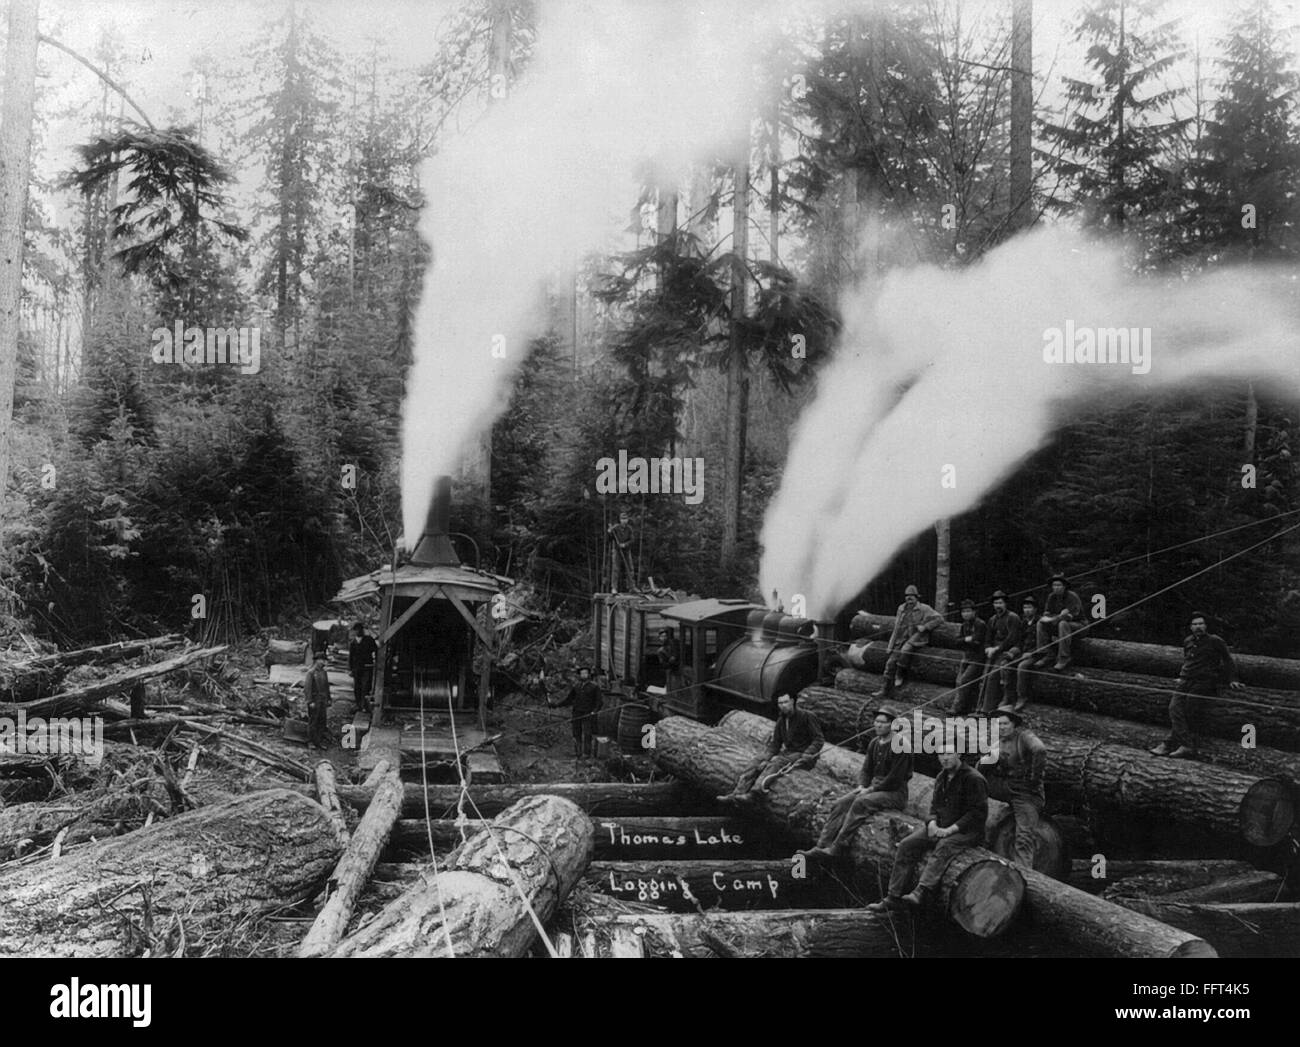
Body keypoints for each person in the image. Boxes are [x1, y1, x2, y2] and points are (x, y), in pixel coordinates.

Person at [870, 743, 988, 910]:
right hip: (941, 826)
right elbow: (934, 805)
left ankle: (921, 891)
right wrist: (931, 822)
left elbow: (977, 814)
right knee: (906, 845)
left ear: (959, 754)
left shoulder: (973, 779)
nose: (945, 758)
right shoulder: (942, 776)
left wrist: (950, 830)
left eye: (949, 753)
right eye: (941, 754)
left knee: (944, 846)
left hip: (967, 832)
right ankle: (893, 897)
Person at [797, 708, 911, 861]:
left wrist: (871, 789)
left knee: (861, 802)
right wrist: (862, 785)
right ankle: (822, 845)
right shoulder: (874, 743)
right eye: (876, 722)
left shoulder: (901, 745)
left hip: (895, 793)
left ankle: (837, 847)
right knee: (840, 803)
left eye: (883, 723)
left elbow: (894, 779)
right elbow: (866, 770)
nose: (878, 725)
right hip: (874, 789)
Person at [1151, 611, 1244, 759]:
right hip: (1185, 680)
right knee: (1174, 708)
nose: (1198, 627)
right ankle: (1184, 744)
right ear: (1190, 627)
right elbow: (1188, 660)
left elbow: (1228, 660)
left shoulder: (1215, 641)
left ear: (1206, 626)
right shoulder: (1188, 641)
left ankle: (1169, 744)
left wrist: (1233, 679)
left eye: (1201, 623)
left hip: (1204, 682)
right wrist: (1181, 675)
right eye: (1194, 624)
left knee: (1189, 710)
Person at [718, 692, 823, 804]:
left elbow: (819, 739)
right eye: (780, 703)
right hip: (788, 753)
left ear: (792, 702)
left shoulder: (807, 717)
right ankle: (737, 794)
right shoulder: (781, 721)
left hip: (804, 755)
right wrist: (766, 758)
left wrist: (808, 753)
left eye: (785, 702)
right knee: (757, 761)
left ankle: (755, 794)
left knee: (777, 761)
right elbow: (775, 744)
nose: (783, 705)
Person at [978, 707, 1047, 868]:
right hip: (1004, 786)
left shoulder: (1024, 737)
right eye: (998, 724)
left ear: (1013, 724)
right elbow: (984, 764)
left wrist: (1034, 778)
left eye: (1005, 724)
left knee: (1024, 837)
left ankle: (1023, 874)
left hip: (1025, 792)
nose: (1002, 727)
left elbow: (1040, 750)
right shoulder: (998, 741)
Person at [873, 585, 944, 700]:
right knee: (890, 663)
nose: (909, 598)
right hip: (901, 638)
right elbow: (896, 628)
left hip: (915, 638)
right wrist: (890, 645)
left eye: (911, 596)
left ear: (916, 597)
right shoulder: (901, 608)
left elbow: (939, 618)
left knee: (905, 650)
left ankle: (900, 673)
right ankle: (884, 690)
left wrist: (925, 627)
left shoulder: (924, 608)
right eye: (907, 596)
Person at [979, 590, 1023, 713]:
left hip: (1010, 651)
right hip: (994, 651)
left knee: (993, 676)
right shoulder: (992, 619)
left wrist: (997, 649)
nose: (998, 606)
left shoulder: (1012, 617)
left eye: (1000, 603)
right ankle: (980, 707)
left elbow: (1012, 639)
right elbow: (988, 637)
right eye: (996, 603)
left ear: (1005, 604)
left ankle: (987, 710)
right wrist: (987, 648)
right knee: (984, 675)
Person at [1032, 575, 1084, 671]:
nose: (1056, 587)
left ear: (1064, 586)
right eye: (1054, 585)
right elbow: (1047, 611)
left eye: (1059, 585)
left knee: (1063, 623)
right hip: (1057, 622)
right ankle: (1047, 654)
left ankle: (1064, 658)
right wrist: (1047, 615)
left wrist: (1058, 617)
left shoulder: (1072, 596)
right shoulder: (1051, 597)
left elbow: (1072, 616)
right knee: (1040, 623)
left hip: (1079, 624)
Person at [550, 666, 603, 759]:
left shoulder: (594, 687)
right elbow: (569, 699)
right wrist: (556, 705)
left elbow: (599, 702)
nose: (584, 675)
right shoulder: (577, 686)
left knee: (587, 734)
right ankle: (578, 752)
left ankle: (587, 754)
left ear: (589, 675)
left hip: (588, 713)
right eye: (582, 673)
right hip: (577, 713)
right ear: (580, 675)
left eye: (586, 673)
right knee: (576, 733)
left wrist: (594, 712)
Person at [952, 599, 988, 715]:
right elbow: (957, 641)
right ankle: (964, 707)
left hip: (977, 658)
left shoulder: (980, 624)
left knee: (965, 680)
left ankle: (957, 708)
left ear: (974, 612)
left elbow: (977, 641)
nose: (966, 614)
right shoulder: (964, 625)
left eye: (968, 611)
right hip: (966, 656)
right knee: (958, 681)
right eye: (963, 612)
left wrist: (966, 640)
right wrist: (967, 639)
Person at [1010, 595, 1041, 712]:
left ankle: (1021, 697)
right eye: (1025, 608)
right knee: (1006, 664)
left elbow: (1045, 643)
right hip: (1024, 652)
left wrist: (1032, 653)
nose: (1027, 610)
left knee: (1022, 667)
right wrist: (1014, 651)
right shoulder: (1023, 623)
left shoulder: (1040, 623)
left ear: (1035, 609)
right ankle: (1008, 696)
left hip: (1037, 654)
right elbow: (1019, 641)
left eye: (1029, 607)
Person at [348, 622, 378, 714]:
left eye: (360, 629)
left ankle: (365, 705)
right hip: (357, 668)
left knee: (366, 686)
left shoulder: (369, 640)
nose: (358, 631)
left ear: (362, 630)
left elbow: (376, 650)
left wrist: (375, 662)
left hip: (367, 667)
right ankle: (358, 705)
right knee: (357, 686)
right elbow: (351, 657)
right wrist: (351, 669)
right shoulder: (353, 643)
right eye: (356, 630)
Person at [305, 656, 331, 750]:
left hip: (322, 701)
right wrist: (310, 701)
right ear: (317, 661)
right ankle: (310, 741)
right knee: (313, 721)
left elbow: (326, 687)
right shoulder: (311, 673)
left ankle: (318, 741)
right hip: (314, 701)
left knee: (322, 721)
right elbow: (307, 688)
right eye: (322, 660)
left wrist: (329, 698)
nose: (324, 662)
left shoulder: (324, 672)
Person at [608, 511, 635, 593]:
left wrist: (624, 545)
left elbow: (632, 540)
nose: (624, 521)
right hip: (617, 551)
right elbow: (610, 539)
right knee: (616, 569)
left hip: (626, 551)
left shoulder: (629, 529)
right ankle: (614, 588)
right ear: (620, 520)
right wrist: (609, 532)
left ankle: (631, 587)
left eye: (625, 519)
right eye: (622, 519)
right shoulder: (615, 528)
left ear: (627, 520)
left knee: (630, 568)